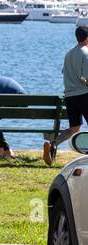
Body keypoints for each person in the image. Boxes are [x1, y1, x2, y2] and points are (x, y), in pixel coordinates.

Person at [45, 25, 88, 166]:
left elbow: (65, 72)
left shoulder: (69, 53)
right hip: (83, 95)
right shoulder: (86, 53)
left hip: (70, 96)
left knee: (74, 128)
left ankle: (53, 143)